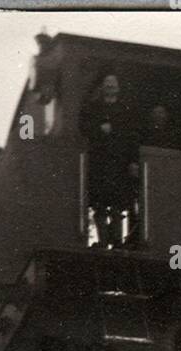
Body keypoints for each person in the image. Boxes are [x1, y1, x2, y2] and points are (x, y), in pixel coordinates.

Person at [79, 73, 139, 248]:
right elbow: (84, 127)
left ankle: (117, 241)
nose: (110, 86)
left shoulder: (125, 110)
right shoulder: (93, 108)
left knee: (118, 205)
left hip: (120, 162)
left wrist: (133, 161)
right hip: (99, 162)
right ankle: (103, 240)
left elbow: (133, 136)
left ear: (118, 87)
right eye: (107, 83)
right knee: (99, 205)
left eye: (113, 83)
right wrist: (99, 129)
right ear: (103, 87)